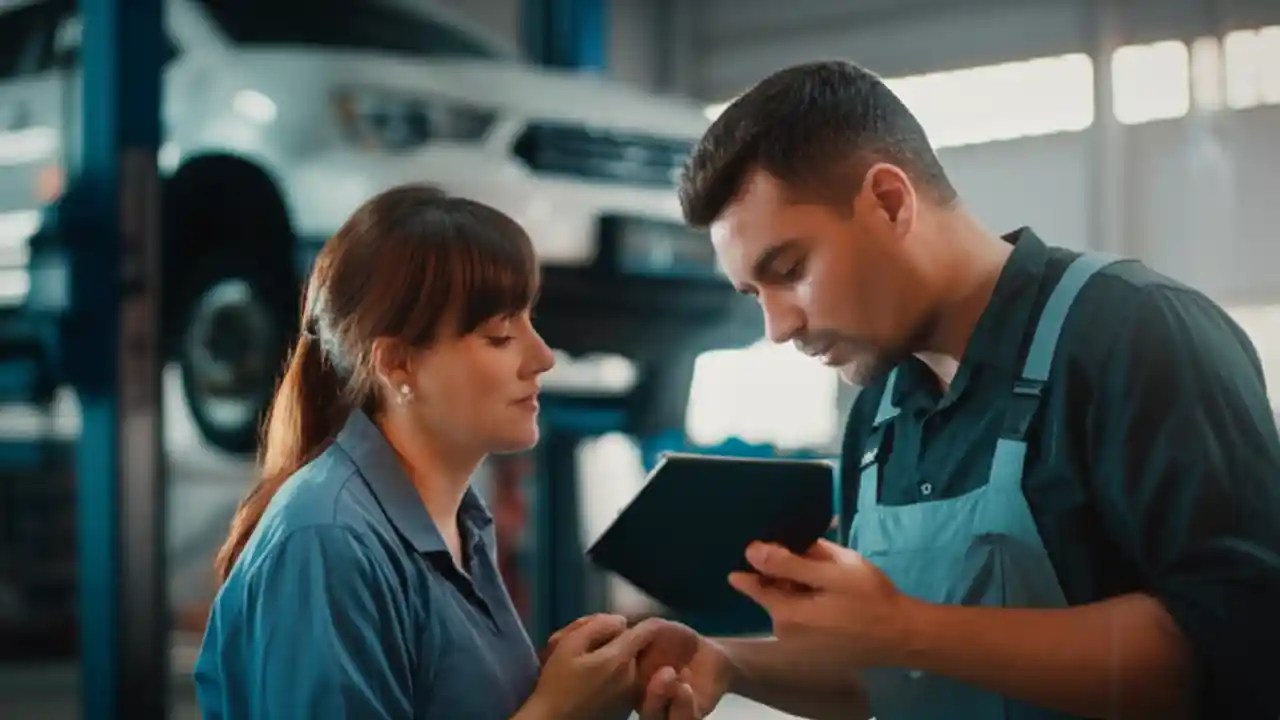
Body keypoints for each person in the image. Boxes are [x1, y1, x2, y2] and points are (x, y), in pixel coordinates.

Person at [633, 61, 1280, 719]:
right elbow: (891, 677)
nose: (778, 327)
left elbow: (1236, 646)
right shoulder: (877, 413)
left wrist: (906, 626)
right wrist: (730, 661)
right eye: (753, 294)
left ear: (889, 201)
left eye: (790, 270)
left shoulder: (1136, 334)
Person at [193, 184, 699, 719]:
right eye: (501, 336)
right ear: (397, 365)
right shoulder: (328, 541)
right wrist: (553, 713)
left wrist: (580, 693)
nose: (544, 357)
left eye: (531, 321)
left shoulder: (456, 525)